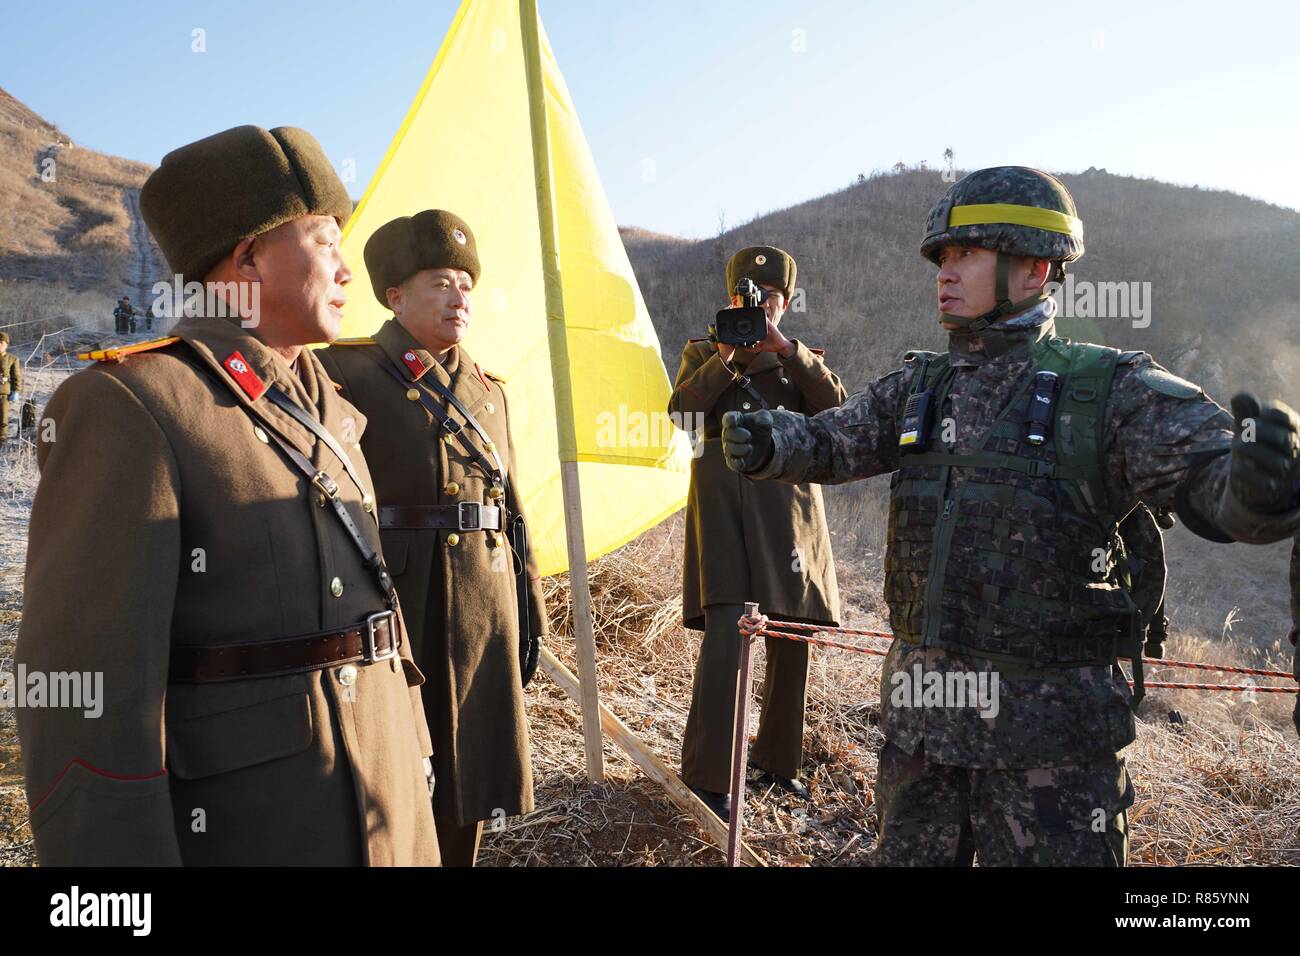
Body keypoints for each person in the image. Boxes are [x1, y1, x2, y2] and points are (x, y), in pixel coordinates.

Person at [720, 166, 1300, 865]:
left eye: (965, 253)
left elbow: (1216, 493)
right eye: (941, 256)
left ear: (1034, 267)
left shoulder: (1110, 391)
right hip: (921, 749)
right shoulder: (919, 386)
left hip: (1050, 765)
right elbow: (832, 441)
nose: (944, 271)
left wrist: (1258, 490)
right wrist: (767, 442)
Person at [16, 125, 440, 866]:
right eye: (324, 242)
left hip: (387, 808)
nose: (347, 272)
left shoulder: (332, 408)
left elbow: (377, 623)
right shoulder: (135, 404)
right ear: (248, 255)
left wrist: (415, 754)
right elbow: (86, 708)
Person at [319, 210, 545, 866]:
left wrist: (527, 602)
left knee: (472, 772)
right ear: (394, 296)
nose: (459, 298)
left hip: (484, 606)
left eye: (466, 286)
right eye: (441, 283)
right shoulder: (346, 374)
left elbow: (511, 506)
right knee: (392, 769)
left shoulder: (489, 391)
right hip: (397, 599)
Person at [668, 245, 846, 820]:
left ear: (787, 303)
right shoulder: (702, 351)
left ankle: (777, 764)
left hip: (788, 509)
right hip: (722, 511)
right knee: (726, 636)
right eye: (748, 296)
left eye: (769, 298)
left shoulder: (798, 357)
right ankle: (708, 774)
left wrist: (785, 352)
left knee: (792, 637)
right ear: (729, 298)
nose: (758, 305)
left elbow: (837, 411)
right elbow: (683, 416)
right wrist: (724, 359)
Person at [0, 331, 20, 445]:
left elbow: (16, 376)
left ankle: (2, 441)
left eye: (1, 343)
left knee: (3, 419)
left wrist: (15, 390)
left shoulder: (12, 359)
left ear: (6, 344)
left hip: (4, 393)